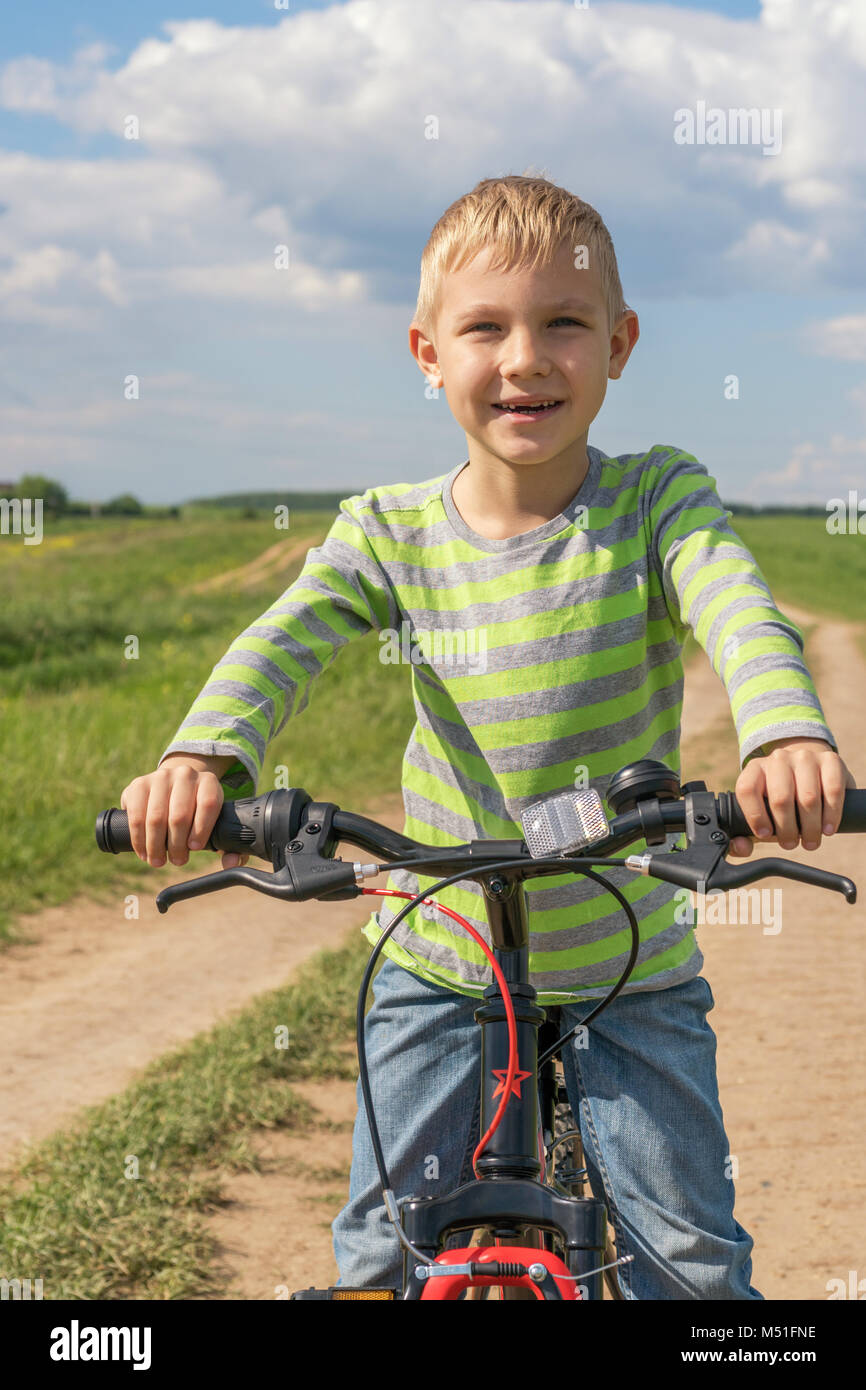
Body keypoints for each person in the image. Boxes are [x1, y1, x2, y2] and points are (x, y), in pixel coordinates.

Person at [119, 174, 855, 1299]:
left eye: (562, 323)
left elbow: (737, 611)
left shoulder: (657, 500)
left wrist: (780, 738)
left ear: (618, 344)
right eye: (484, 327)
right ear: (426, 352)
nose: (524, 358)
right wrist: (201, 759)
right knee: (379, 1254)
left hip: (627, 964)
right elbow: (284, 641)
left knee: (690, 1266)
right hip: (438, 954)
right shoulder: (387, 532)